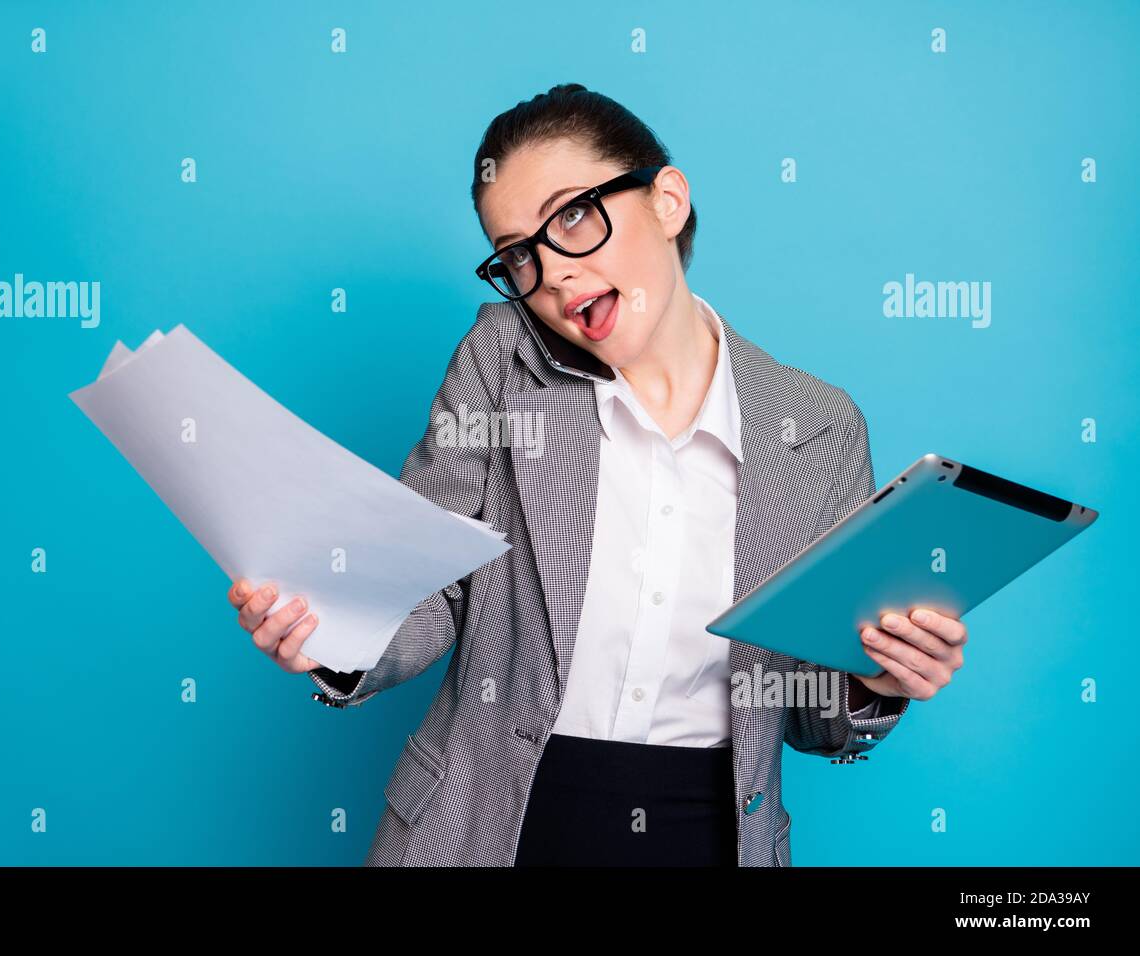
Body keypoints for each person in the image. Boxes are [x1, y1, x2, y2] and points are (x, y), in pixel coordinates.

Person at [227, 83, 968, 866]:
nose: (550, 273)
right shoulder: (501, 360)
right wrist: (330, 630)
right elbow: (433, 588)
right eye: (519, 254)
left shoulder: (817, 424)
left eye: (572, 216)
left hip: (709, 837)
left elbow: (811, 712)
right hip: (490, 824)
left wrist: (878, 679)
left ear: (668, 201)